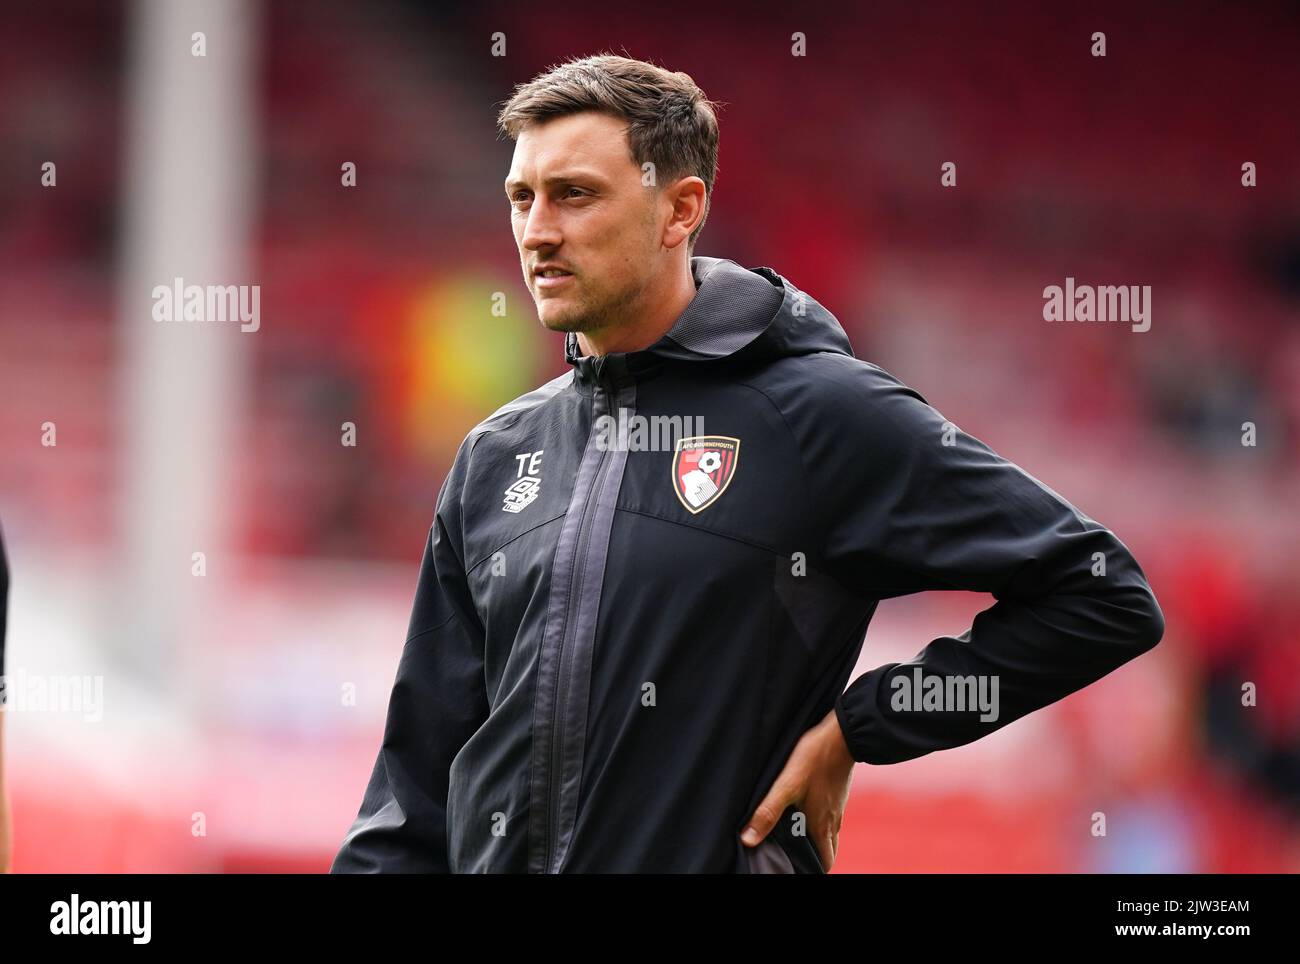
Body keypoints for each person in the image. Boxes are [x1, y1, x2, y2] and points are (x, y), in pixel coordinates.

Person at [331, 54, 1164, 873]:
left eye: (575, 195)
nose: (537, 229)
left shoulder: (819, 416)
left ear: (679, 209)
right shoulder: (495, 457)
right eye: (522, 197)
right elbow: (412, 792)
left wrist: (861, 725)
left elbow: (1100, 594)